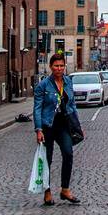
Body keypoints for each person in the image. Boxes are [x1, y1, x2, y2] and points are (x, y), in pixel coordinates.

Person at [32, 52, 80, 206]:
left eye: (61, 66)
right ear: (51, 67)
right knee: (48, 159)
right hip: (48, 126)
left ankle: (65, 189)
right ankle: (47, 191)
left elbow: (72, 105)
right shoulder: (43, 85)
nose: (59, 68)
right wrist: (38, 129)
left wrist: (78, 126)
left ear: (64, 66)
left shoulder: (68, 82)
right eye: (56, 66)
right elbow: (37, 108)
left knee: (68, 153)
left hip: (64, 125)